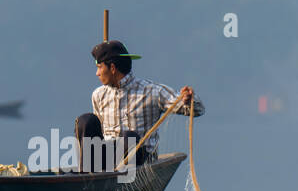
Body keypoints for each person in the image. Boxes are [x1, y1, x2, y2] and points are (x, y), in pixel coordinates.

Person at [74, 40, 204, 171]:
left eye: (99, 67)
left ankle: (119, 179)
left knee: (128, 138)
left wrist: (188, 99)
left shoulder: (152, 91)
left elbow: (197, 110)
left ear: (112, 68)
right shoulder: (98, 95)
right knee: (86, 121)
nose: (97, 73)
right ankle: (88, 178)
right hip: (109, 157)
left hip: (140, 160)